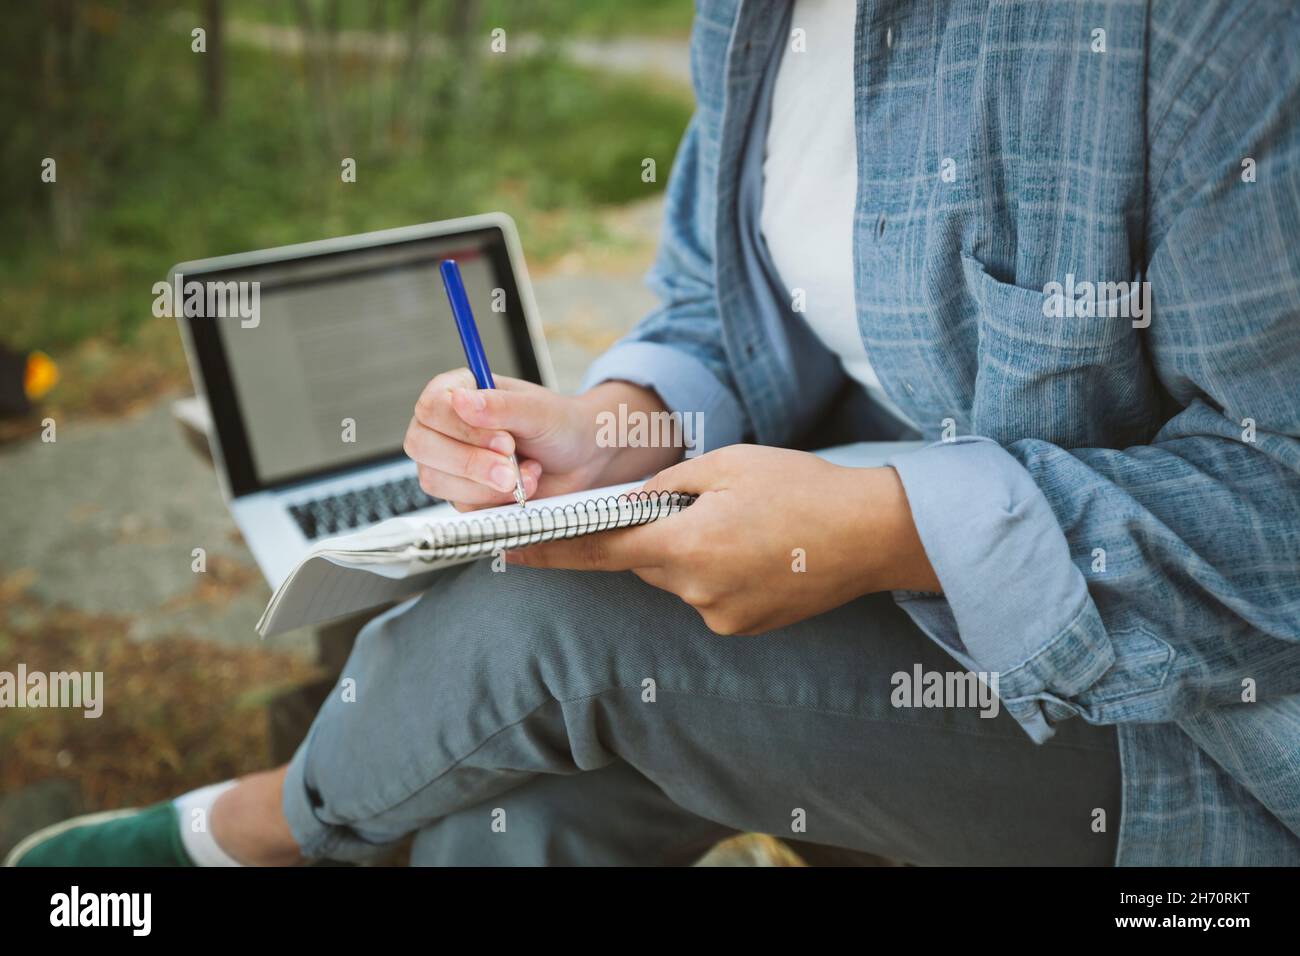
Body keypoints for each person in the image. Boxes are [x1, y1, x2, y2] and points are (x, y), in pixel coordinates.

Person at [10, 0, 1300, 868]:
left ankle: (246, 835)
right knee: (513, 814)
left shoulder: (1202, 40)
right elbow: (717, 305)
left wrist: (889, 530)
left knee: (553, 622)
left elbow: (1278, 504)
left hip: (1179, 723)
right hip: (865, 543)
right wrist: (616, 429)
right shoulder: (756, 22)